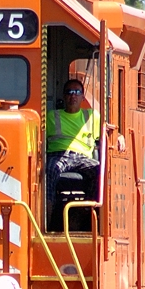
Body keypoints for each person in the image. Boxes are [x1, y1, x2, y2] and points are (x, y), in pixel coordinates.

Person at [45, 79, 101, 226]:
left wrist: (120, 136)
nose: (73, 96)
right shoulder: (51, 116)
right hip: (59, 154)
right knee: (50, 170)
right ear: (64, 96)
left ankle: (87, 215)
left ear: (83, 97)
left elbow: (109, 132)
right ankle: (46, 221)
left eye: (77, 92)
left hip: (82, 158)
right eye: (69, 92)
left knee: (100, 170)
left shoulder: (92, 116)